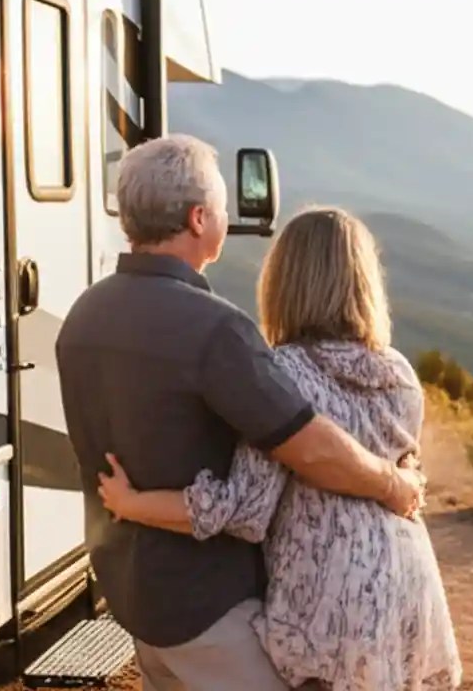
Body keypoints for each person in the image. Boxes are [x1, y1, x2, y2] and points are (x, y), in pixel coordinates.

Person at [55, 136, 426, 691]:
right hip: (211, 609)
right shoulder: (216, 329)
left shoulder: (83, 316)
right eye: (224, 206)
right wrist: (395, 486)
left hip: (134, 594)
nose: (229, 217)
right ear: (199, 218)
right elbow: (312, 449)